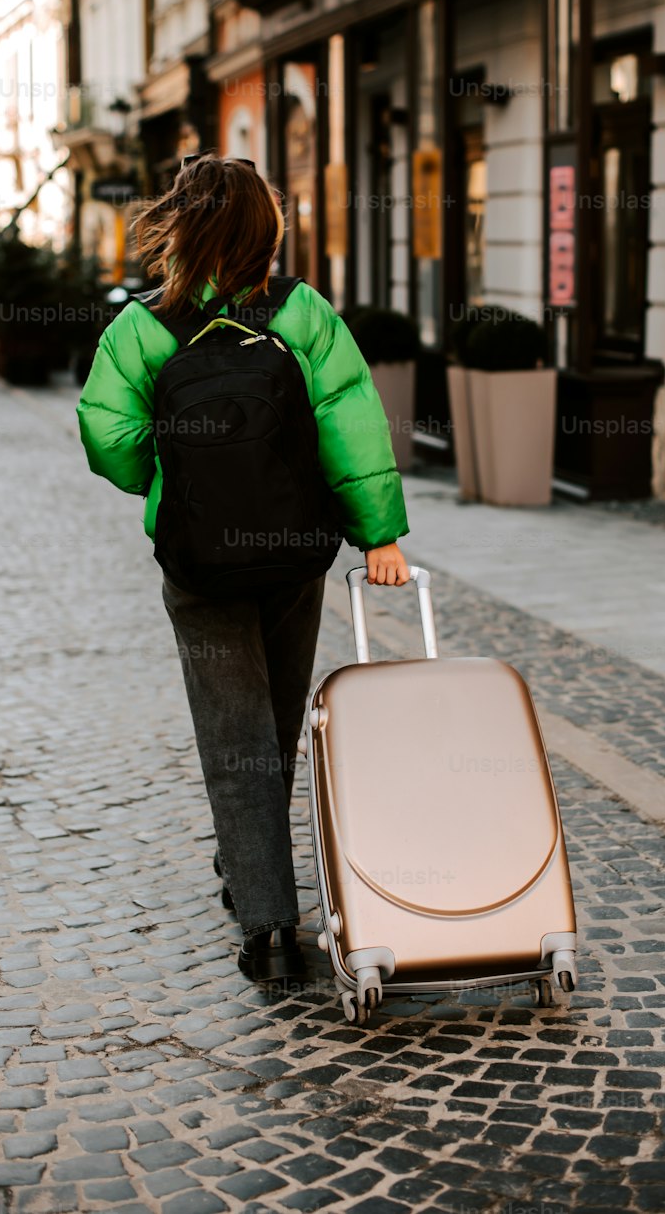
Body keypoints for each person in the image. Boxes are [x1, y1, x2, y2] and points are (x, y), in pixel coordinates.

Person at [77, 153, 410, 988]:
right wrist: (380, 536)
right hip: (293, 554)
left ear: (177, 228)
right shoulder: (301, 314)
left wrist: (173, 476)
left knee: (233, 738)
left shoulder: (142, 329)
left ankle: (266, 920)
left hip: (199, 563)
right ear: (267, 229)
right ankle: (258, 872)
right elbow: (350, 422)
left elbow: (107, 439)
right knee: (277, 723)